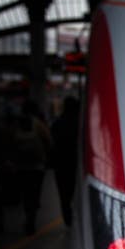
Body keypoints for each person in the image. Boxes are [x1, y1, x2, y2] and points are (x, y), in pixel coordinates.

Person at [11, 99, 53, 234]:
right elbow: (49, 140)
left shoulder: (16, 124)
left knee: (25, 192)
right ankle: (31, 218)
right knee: (34, 192)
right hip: (37, 166)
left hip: (21, 166)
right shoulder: (38, 124)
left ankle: (28, 213)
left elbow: (9, 141)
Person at [50, 96, 80, 226]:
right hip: (75, 164)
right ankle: (77, 219)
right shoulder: (79, 123)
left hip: (60, 164)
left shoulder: (57, 123)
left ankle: (68, 219)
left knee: (64, 195)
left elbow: (52, 143)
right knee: (75, 192)